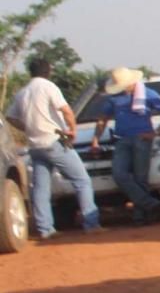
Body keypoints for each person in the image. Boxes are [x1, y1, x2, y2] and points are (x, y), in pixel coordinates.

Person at [4, 58, 101, 238]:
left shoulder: (22, 92)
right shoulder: (48, 87)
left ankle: (45, 229)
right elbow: (66, 110)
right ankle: (91, 223)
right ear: (48, 71)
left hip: (35, 145)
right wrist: (72, 130)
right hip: (53, 141)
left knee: (41, 188)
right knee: (82, 180)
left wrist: (27, 128)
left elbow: (10, 117)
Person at [91, 66, 160, 225]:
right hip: (122, 139)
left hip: (142, 138)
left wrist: (157, 132)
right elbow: (102, 120)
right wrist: (95, 140)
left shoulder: (147, 93)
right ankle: (150, 204)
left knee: (141, 178)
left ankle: (140, 217)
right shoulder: (114, 99)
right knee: (119, 174)